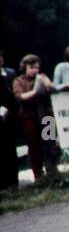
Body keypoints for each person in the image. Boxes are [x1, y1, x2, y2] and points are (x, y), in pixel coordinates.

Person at [12, 54, 55, 180]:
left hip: (47, 115)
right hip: (29, 117)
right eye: (32, 67)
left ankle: (53, 172)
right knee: (34, 146)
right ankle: (39, 176)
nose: (35, 70)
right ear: (24, 67)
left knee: (50, 143)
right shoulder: (18, 81)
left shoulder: (42, 77)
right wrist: (35, 90)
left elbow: (51, 88)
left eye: (37, 67)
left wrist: (46, 82)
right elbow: (20, 97)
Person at [0, 50, 19, 187]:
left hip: (12, 115)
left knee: (12, 150)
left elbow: (14, 94)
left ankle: (14, 182)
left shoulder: (10, 73)